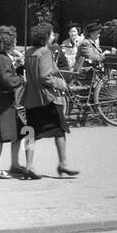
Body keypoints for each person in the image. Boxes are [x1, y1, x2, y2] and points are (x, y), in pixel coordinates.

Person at [18, 23, 77, 178]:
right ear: (45, 36)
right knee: (60, 130)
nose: (53, 36)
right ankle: (63, 164)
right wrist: (61, 84)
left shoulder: (29, 52)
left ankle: (29, 166)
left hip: (31, 98)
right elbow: (45, 77)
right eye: (51, 34)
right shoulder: (45, 52)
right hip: (46, 98)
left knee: (31, 132)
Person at [0, 26, 27, 178]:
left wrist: (18, 68)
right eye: (14, 41)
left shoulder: (3, 58)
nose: (16, 43)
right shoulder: (2, 59)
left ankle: (15, 165)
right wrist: (21, 78)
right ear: (9, 43)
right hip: (2, 105)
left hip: (8, 104)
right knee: (0, 138)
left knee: (17, 135)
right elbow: (7, 81)